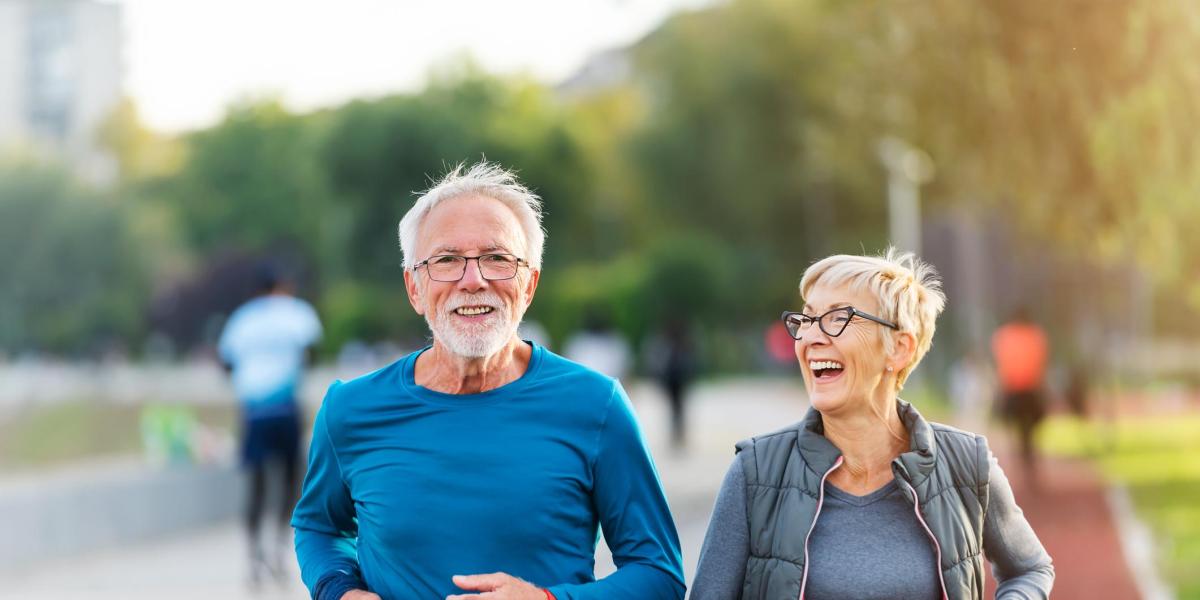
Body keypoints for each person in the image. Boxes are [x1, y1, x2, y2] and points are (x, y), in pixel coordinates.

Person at [291, 162, 684, 600]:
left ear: (529, 284)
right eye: (447, 260)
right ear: (414, 288)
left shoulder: (597, 405)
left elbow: (659, 574)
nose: (473, 280)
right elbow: (318, 525)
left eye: (497, 258)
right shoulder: (349, 410)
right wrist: (337, 588)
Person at [691, 249, 1053, 600]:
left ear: (899, 348)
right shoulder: (754, 473)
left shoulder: (966, 464)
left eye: (837, 318)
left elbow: (1030, 569)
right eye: (806, 319)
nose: (811, 337)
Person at [218, 266, 322, 587]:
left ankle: (253, 557)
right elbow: (311, 353)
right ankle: (279, 548)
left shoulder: (241, 319)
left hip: (253, 411)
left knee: (257, 484)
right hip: (286, 407)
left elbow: (226, 362)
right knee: (291, 480)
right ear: (283, 285)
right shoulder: (296, 311)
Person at [991, 308, 1049, 488]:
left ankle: (1023, 454)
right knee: (1030, 431)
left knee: (1017, 429)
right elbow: (1042, 364)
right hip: (1031, 391)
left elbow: (1001, 366)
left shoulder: (1003, 336)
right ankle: (1028, 455)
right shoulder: (1037, 336)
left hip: (1012, 391)